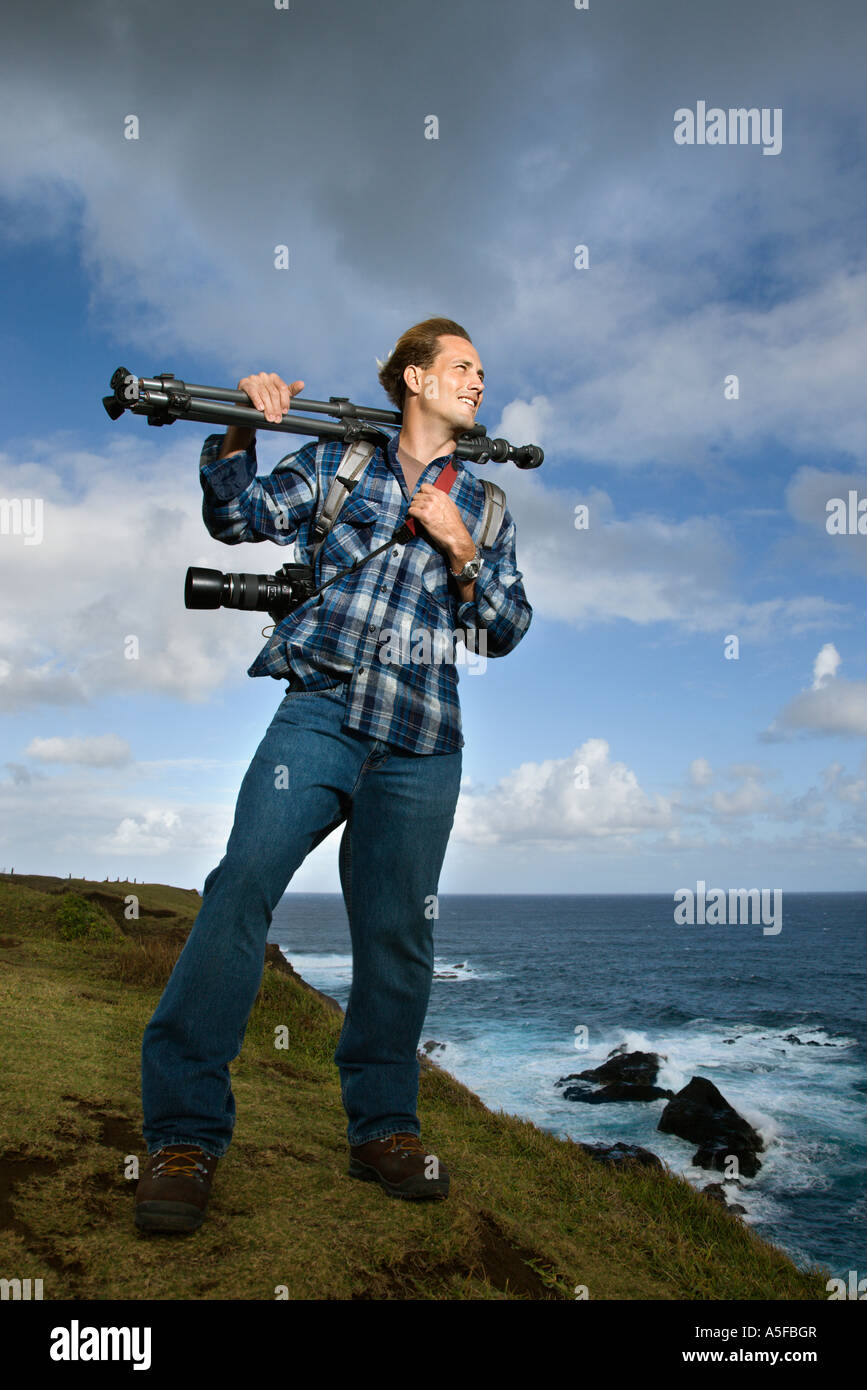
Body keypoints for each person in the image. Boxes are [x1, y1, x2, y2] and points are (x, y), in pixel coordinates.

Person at [135, 316, 532, 1232]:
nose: (478, 383)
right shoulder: (340, 463)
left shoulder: (490, 508)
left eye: (482, 372)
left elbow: (502, 632)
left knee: (397, 939)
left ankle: (383, 1130)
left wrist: (463, 553)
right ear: (414, 379)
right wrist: (243, 426)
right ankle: (184, 1136)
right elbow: (236, 519)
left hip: (424, 736)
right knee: (240, 890)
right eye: (463, 368)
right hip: (322, 706)